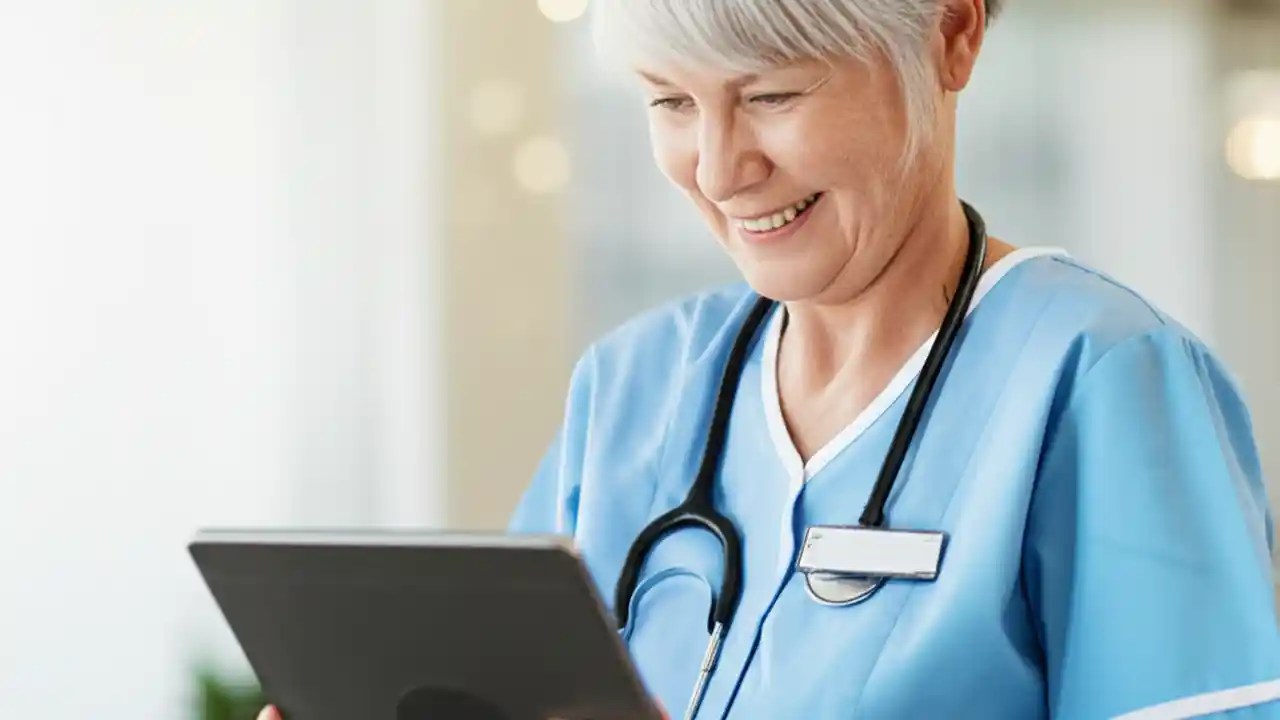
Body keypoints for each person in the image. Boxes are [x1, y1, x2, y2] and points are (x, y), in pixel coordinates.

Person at [262, 0, 1280, 718]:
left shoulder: (1099, 381)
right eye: (668, 102)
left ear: (952, 33)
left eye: (771, 95)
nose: (716, 167)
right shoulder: (632, 388)